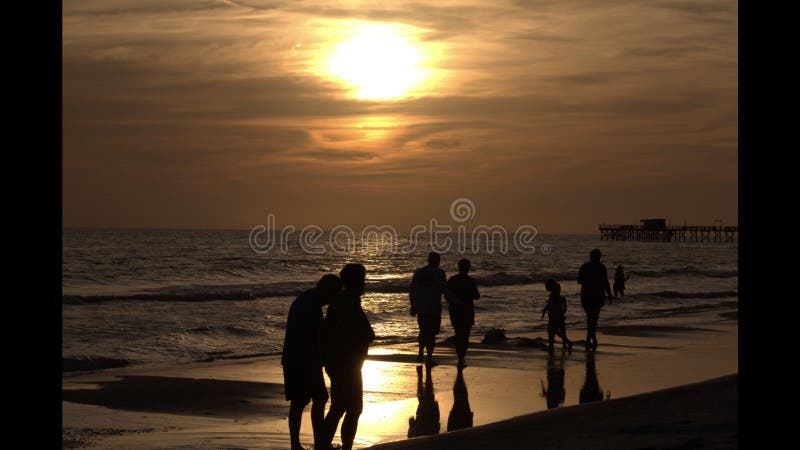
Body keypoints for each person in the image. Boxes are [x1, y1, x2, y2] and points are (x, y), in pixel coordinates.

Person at [281, 274, 342, 450]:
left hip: (295, 358)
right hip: (303, 360)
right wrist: (324, 359)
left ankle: (307, 443)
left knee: (303, 401)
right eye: (334, 294)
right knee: (312, 399)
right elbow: (315, 336)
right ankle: (314, 443)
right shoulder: (311, 304)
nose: (333, 300)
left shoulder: (306, 299)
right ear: (327, 290)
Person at [320, 264, 375, 450]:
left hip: (343, 363)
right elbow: (365, 332)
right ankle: (336, 446)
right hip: (346, 364)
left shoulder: (343, 301)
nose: (364, 284)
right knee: (348, 408)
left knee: (343, 407)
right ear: (357, 282)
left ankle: (330, 445)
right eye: (363, 280)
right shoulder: (348, 301)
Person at [409, 252, 448, 366]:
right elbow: (443, 288)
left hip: (421, 307)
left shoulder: (419, 272)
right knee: (431, 334)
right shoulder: (440, 273)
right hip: (433, 307)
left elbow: (412, 290)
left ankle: (420, 353)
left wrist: (413, 305)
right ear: (438, 261)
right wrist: (453, 299)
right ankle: (429, 358)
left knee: (423, 331)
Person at [446, 259, 480, 368]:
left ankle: (460, 357)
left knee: (458, 333)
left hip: (455, 311)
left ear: (458, 267)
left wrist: (455, 300)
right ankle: (461, 358)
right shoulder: (471, 281)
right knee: (465, 335)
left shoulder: (452, 280)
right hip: (467, 311)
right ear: (468, 268)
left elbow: (447, 296)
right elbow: (477, 296)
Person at [577, 249, 613, 352]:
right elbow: (605, 282)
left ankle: (590, 338)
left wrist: (588, 281)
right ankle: (591, 338)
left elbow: (579, 281)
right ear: (599, 257)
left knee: (589, 318)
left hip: (586, 295)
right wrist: (610, 294)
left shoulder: (584, 266)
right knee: (595, 318)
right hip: (598, 295)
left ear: (590, 256)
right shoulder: (601, 267)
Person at [407, 365, 440, 438]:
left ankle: (426, 372)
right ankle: (423, 374)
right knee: (422, 398)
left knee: (426, 397)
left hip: (428, 417)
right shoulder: (416, 438)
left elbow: (437, 425)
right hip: (425, 417)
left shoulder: (430, 436)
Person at [541, 278, 573, 353]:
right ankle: (566, 342)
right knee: (557, 331)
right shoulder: (555, 296)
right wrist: (544, 311)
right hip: (558, 316)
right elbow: (549, 305)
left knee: (551, 331)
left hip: (555, 317)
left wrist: (547, 312)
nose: (545, 288)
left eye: (546, 286)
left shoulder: (555, 296)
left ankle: (553, 345)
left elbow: (552, 305)